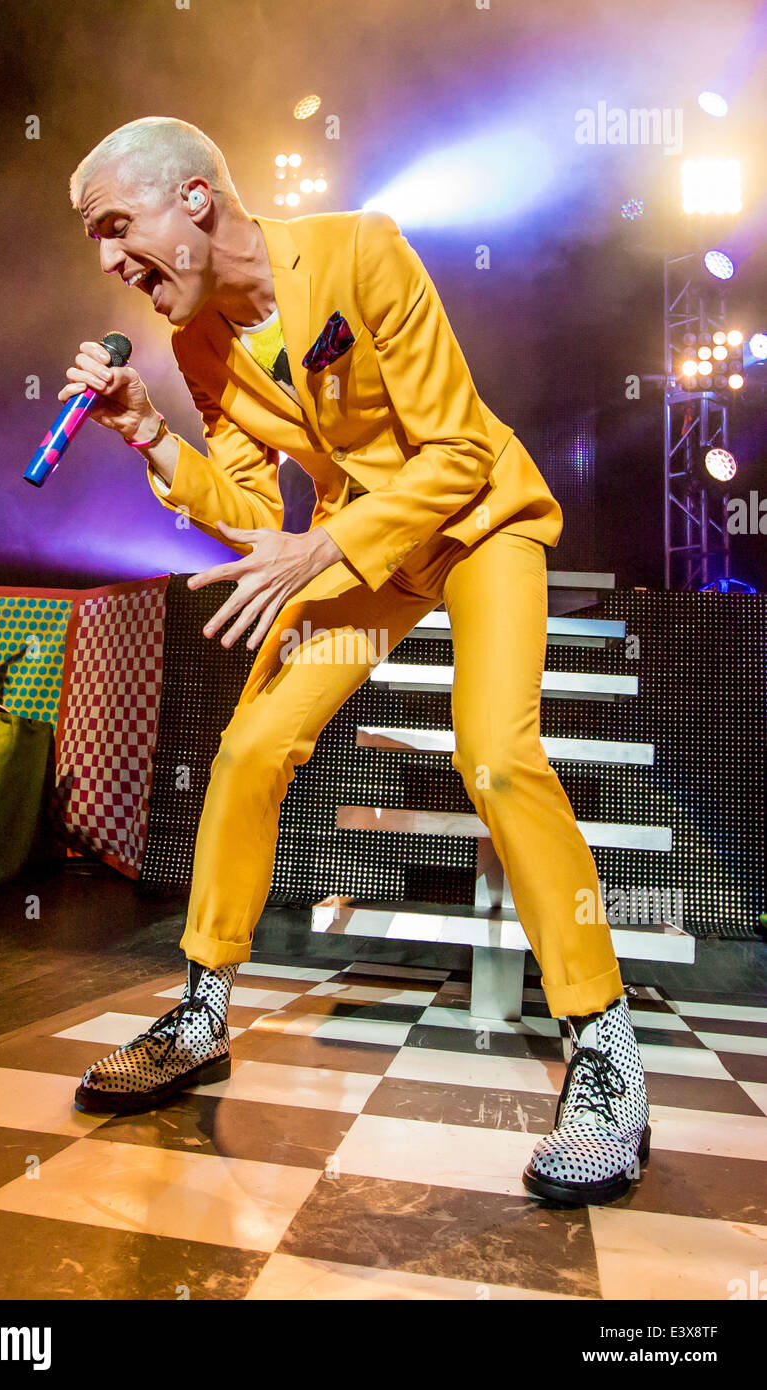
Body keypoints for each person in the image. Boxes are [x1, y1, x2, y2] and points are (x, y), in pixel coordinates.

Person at [61, 116, 649, 1206]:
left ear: (193, 201)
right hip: (363, 548)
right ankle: (200, 1014)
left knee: (499, 756)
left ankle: (606, 1048)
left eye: (114, 226)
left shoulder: (360, 250)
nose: (106, 261)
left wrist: (325, 545)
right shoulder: (201, 345)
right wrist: (150, 434)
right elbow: (248, 509)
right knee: (250, 747)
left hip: (476, 522)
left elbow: (461, 448)